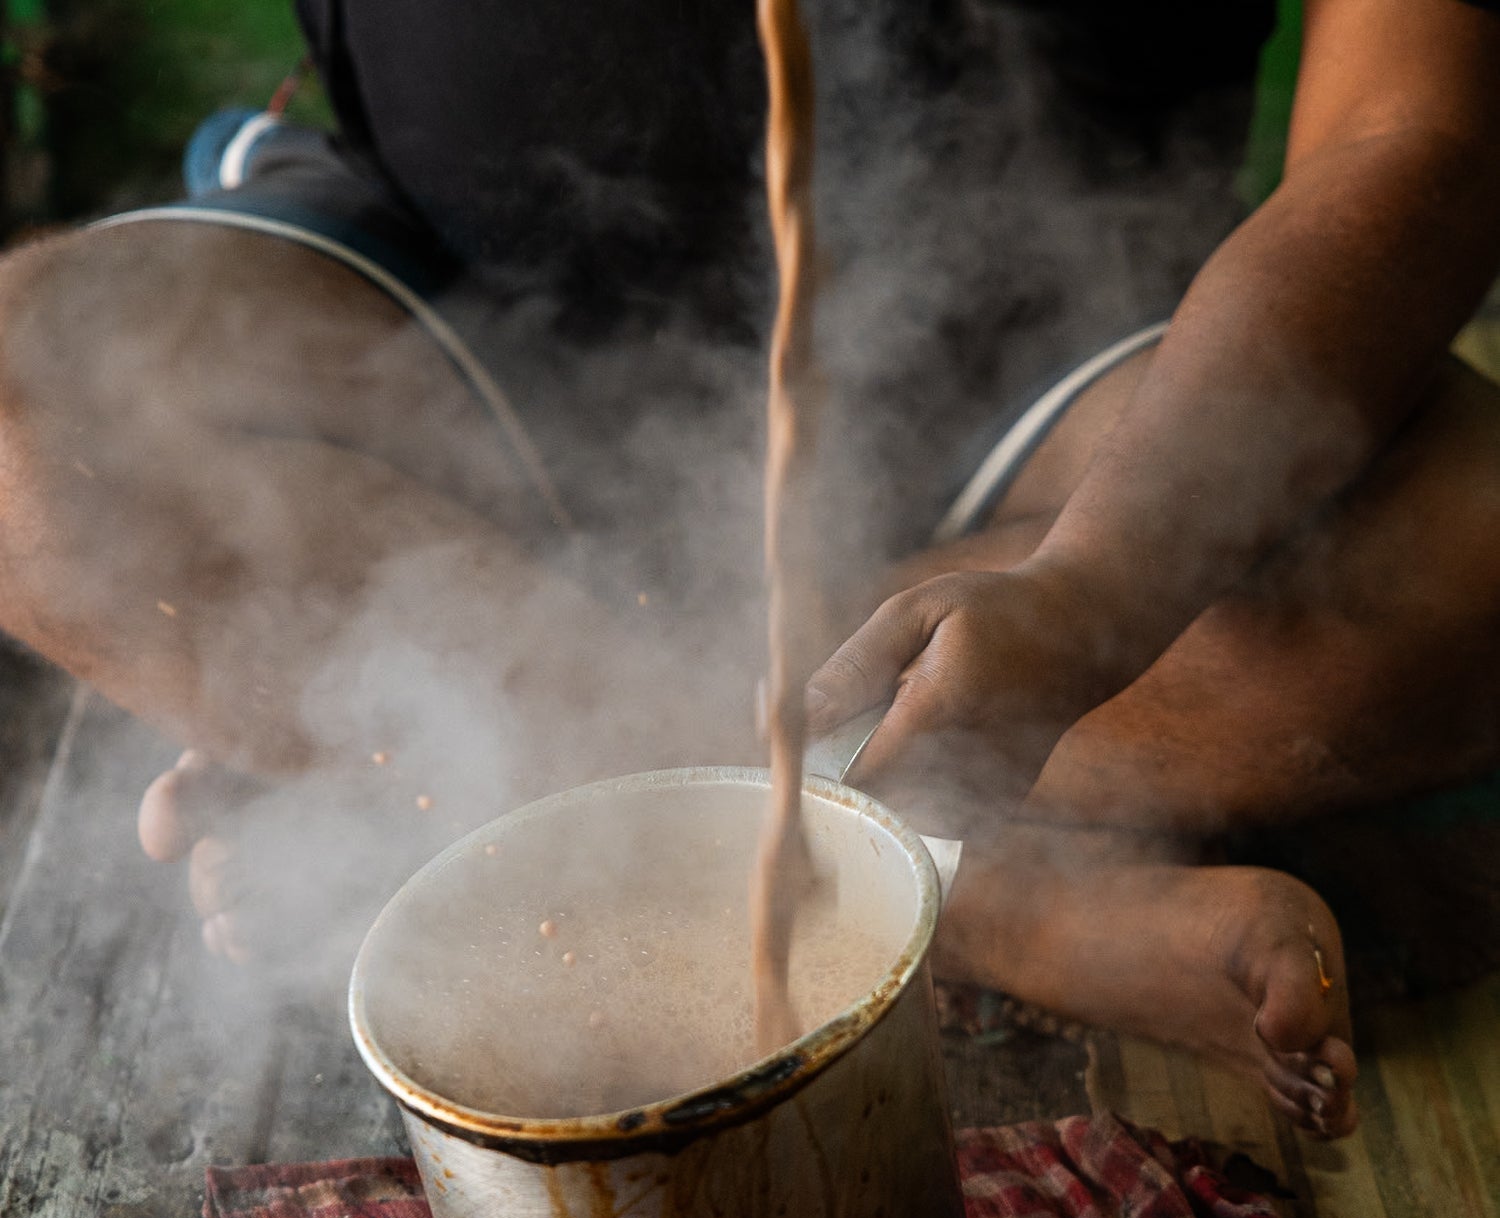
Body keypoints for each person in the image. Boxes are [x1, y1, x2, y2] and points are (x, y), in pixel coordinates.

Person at [1, 0, 1497, 1140]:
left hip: (1063, 401)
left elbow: (1410, 133)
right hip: (459, 329)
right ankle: (987, 902)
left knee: (1470, 538)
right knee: (26, 418)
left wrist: (1100, 592)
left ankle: (480, 763)